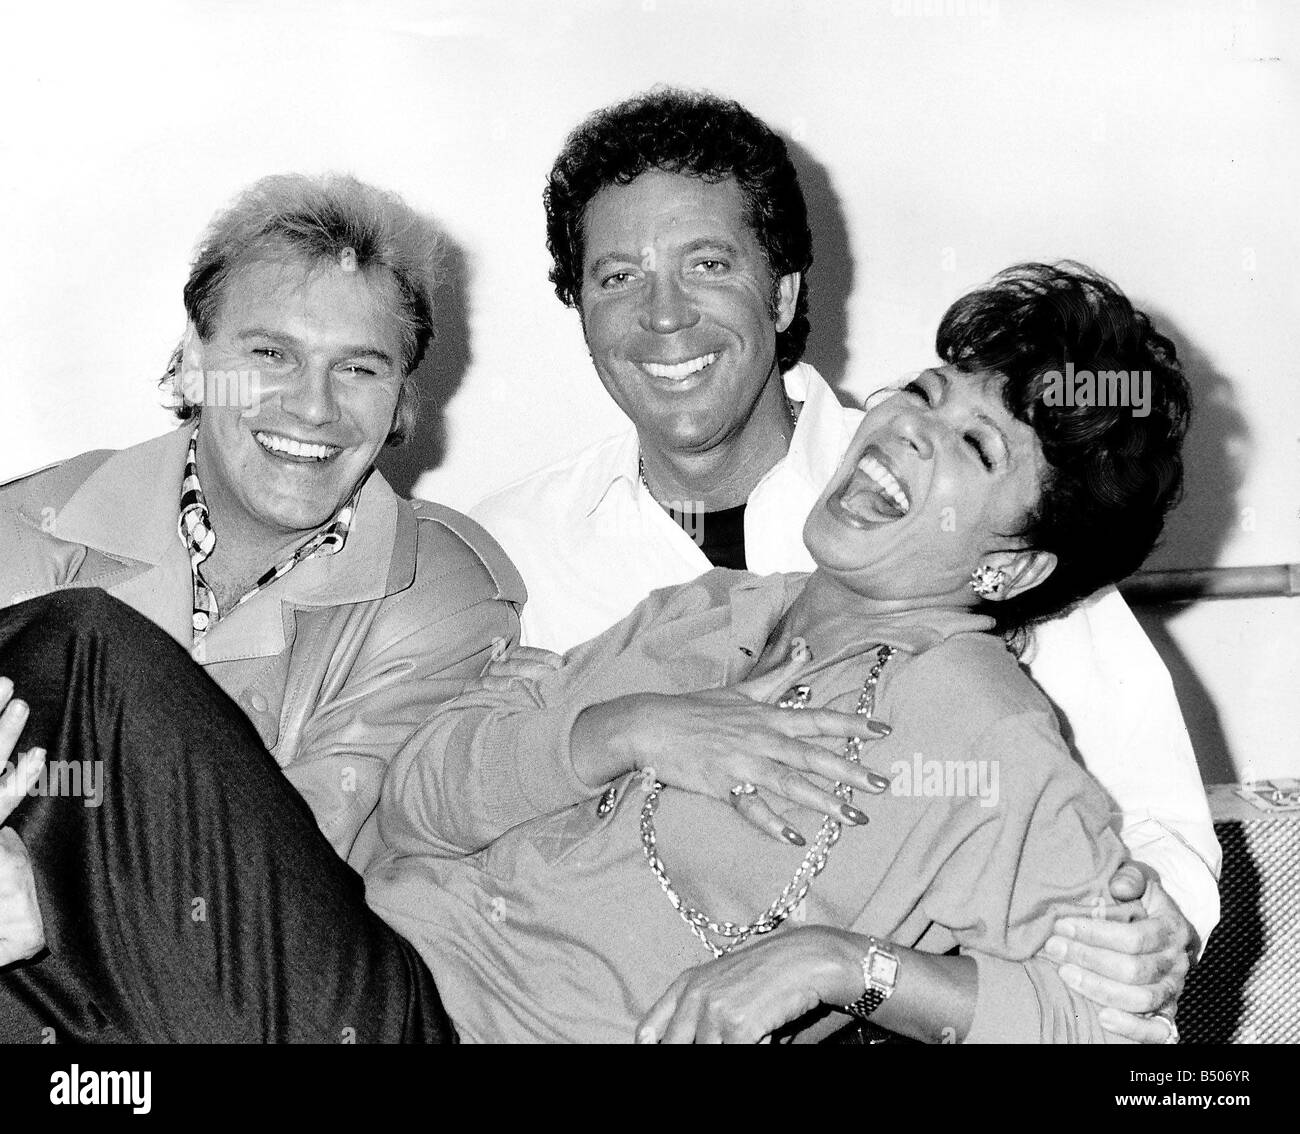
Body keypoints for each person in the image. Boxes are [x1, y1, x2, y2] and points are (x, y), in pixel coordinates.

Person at [3, 262, 1193, 1043]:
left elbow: (1133, 1043)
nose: (899, 436)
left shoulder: (980, 730)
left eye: (970, 448)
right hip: (353, 968)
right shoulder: (703, 611)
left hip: (445, 1036)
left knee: (86, 656)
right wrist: (621, 732)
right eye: (921, 395)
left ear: (1016, 566)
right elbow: (418, 802)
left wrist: (840, 965)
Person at [470, 88, 1217, 1040]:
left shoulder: (984, 532)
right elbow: (435, 793)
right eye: (616, 277)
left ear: (780, 293)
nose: (663, 317)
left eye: (706, 264)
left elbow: (1145, 851)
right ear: (578, 307)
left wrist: (1145, 935)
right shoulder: (508, 549)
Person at [0, 172, 527, 872]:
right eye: (270, 355)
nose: (314, 406)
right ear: (194, 363)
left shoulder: (441, 598)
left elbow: (276, 875)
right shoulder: (30, 526)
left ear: (402, 397)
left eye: (360, 369)